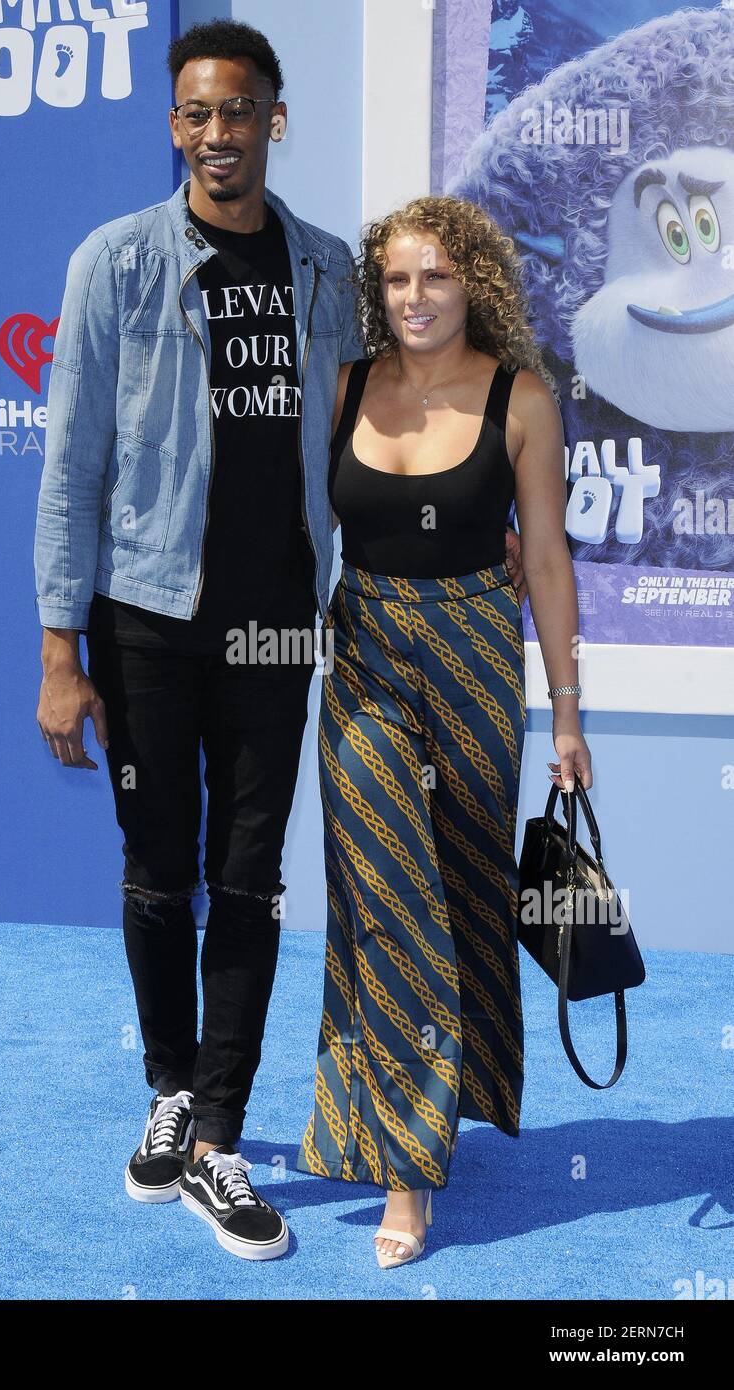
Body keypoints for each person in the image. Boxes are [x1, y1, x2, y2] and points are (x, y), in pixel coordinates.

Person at [34, 20, 524, 1262]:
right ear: (174, 125)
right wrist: (58, 652)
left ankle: (216, 1140)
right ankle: (169, 1089)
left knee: (250, 879)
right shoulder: (114, 263)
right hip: (142, 617)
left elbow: (423, 371)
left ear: (274, 119)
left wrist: (495, 503)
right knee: (159, 873)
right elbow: (70, 467)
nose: (217, 135)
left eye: (238, 111)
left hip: (273, 627)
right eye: (195, 114)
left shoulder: (323, 272)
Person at [296, 195, 593, 1268]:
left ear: (476, 285)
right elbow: (286, 529)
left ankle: (446, 1093)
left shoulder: (521, 398)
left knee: (463, 885)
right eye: (395, 280)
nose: (412, 298)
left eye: (434, 277)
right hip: (366, 657)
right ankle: (406, 1174)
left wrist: (565, 709)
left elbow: (549, 558)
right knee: (387, 893)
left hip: (473, 656)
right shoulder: (342, 387)